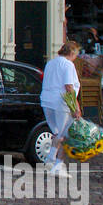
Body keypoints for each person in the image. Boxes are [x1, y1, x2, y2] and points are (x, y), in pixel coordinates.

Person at [40, 40, 81, 175]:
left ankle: (50, 160)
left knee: (57, 133)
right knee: (65, 134)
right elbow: (69, 86)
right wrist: (75, 107)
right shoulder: (68, 65)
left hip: (47, 100)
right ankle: (58, 165)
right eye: (76, 55)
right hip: (60, 102)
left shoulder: (50, 63)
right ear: (72, 53)